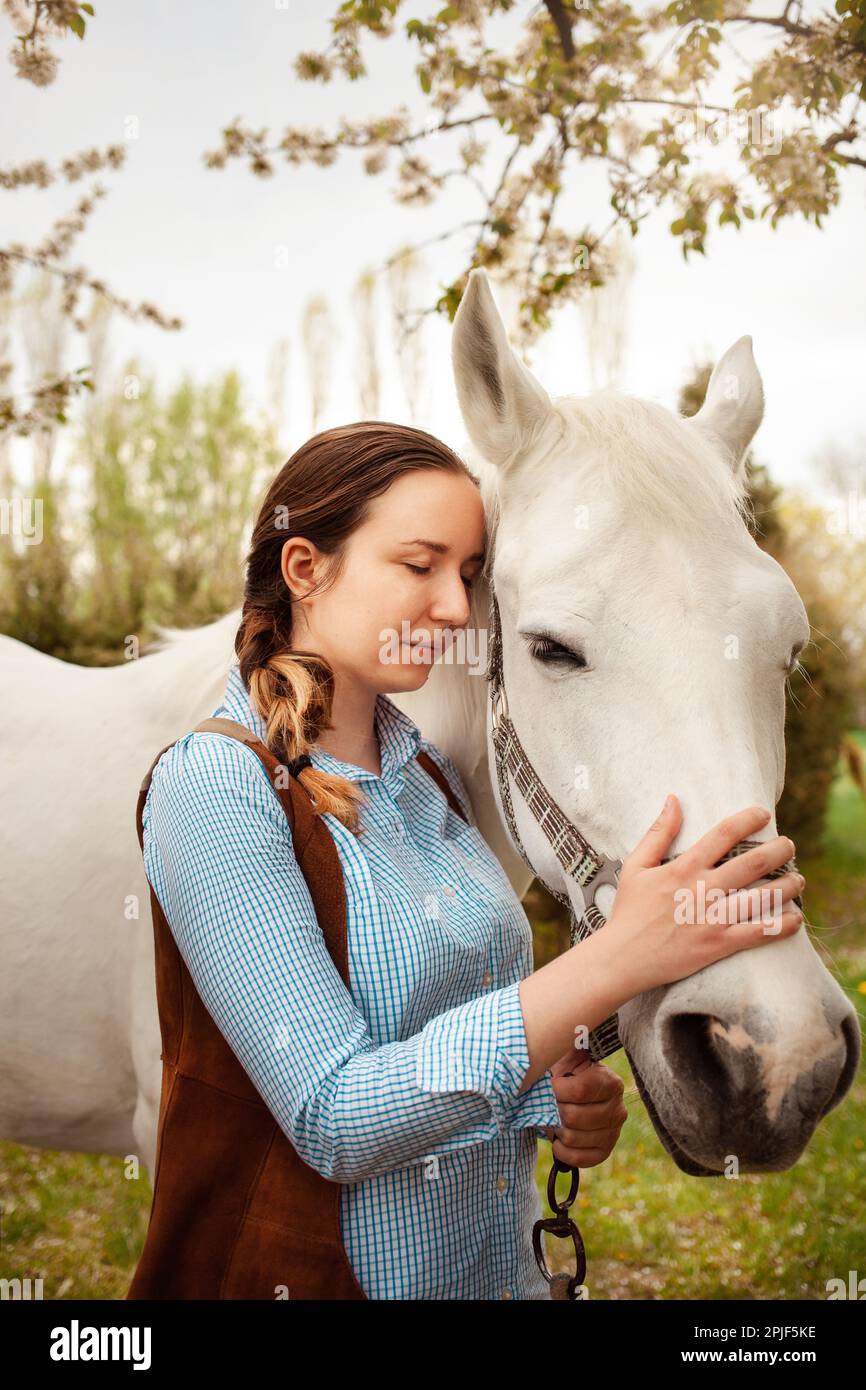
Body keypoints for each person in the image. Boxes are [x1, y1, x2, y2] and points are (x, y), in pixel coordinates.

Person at [138, 419, 804, 1300]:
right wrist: (613, 960)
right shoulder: (216, 788)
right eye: (419, 567)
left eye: (469, 575)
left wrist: (547, 1097)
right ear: (305, 569)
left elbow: (442, 1031)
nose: (456, 610)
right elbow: (334, 1114)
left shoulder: (428, 778)